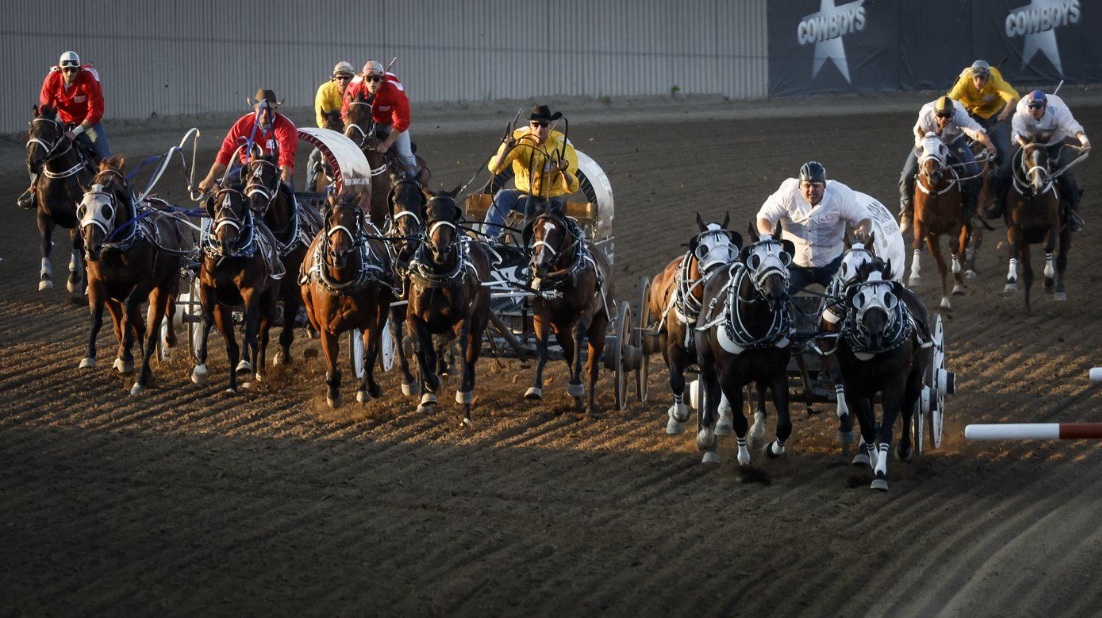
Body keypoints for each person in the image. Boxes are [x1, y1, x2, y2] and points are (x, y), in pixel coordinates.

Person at [756, 161, 873, 293]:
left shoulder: (839, 195)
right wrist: (767, 233)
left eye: (816, 186)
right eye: (807, 185)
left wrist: (862, 231)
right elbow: (764, 216)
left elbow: (864, 218)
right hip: (794, 264)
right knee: (775, 296)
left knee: (848, 296)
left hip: (832, 264)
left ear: (824, 185)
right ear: (800, 185)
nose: (811, 190)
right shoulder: (787, 194)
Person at [18, 51, 109, 209]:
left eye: (73, 70)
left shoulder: (88, 79)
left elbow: (95, 112)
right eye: (66, 70)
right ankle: (33, 190)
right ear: (60, 70)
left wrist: (75, 132)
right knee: (37, 147)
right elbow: (46, 107)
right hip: (63, 120)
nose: (69, 73)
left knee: (105, 157)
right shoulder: (52, 79)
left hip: (88, 123)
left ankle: (118, 194)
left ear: (78, 70)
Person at [481, 104, 580, 243]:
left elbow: (573, 187)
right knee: (503, 196)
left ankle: (544, 246)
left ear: (550, 126)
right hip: (523, 197)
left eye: (544, 125)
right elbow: (494, 168)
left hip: (550, 201)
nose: (539, 129)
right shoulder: (519, 138)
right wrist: (506, 151)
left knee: (549, 222)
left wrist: (564, 170)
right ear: (530, 125)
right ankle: (487, 239)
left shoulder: (562, 145)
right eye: (536, 124)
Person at [898, 96, 996, 232]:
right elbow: (921, 137)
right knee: (907, 175)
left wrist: (989, 144)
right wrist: (938, 132)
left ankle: (970, 211)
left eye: (947, 115)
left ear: (953, 114)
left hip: (953, 142)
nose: (944, 118)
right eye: (940, 115)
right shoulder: (926, 114)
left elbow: (977, 132)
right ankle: (906, 211)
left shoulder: (960, 115)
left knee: (974, 171)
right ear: (935, 113)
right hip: (927, 142)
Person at [1002, 89, 1092, 231]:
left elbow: (1073, 126)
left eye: (1037, 106)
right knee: (1004, 170)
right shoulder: (1022, 110)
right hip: (1028, 144)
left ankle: (1072, 214)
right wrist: (1025, 144)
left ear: (1044, 105)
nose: (1034, 110)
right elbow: (1017, 130)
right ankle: (999, 206)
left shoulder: (1058, 111)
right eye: (1031, 107)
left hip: (1054, 145)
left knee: (1068, 178)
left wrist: (1084, 141)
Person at [947, 59, 1020, 223]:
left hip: (991, 117)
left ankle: (1004, 195)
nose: (979, 81)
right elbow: (950, 100)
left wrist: (1005, 112)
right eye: (976, 78)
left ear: (987, 77)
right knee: (954, 148)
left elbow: (1012, 97)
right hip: (968, 115)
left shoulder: (995, 79)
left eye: (983, 78)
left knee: (1003, 154)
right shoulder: (965, 79)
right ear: (972, 76)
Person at [197, 89, 298, 195]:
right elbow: (225, 153)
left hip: (274, 170)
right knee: (223, 189)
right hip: (246, 168)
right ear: (255, 108)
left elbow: (286, 158)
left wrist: (284, 183)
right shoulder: (242, 125)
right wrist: (209, 179)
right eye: (261, 108)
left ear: (275, 109)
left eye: (269, 109)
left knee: (287, 195)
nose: (265, 113)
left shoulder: (286, 128)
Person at [340, 60, 419, 177]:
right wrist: (351, 130)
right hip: (366, 122)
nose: (372, 83)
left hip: (391, 123)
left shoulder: (393, 90)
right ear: (364, 79)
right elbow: (346, 112)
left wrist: (386, 144)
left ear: (382, 79)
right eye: (368, 79)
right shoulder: (354, 88)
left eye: (376, 79)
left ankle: (414, 181)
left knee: (404, 154)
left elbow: (402, 120)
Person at [306, 61, 355, 192]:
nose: (342, 81)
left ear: (352, 79)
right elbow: (323, 121)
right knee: (314, 157)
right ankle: (309, 193)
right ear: (334, 79)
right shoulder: (325, 91)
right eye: (339, 78)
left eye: (346, 78)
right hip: (331, 130)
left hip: (352, 131)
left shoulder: (358, 91)